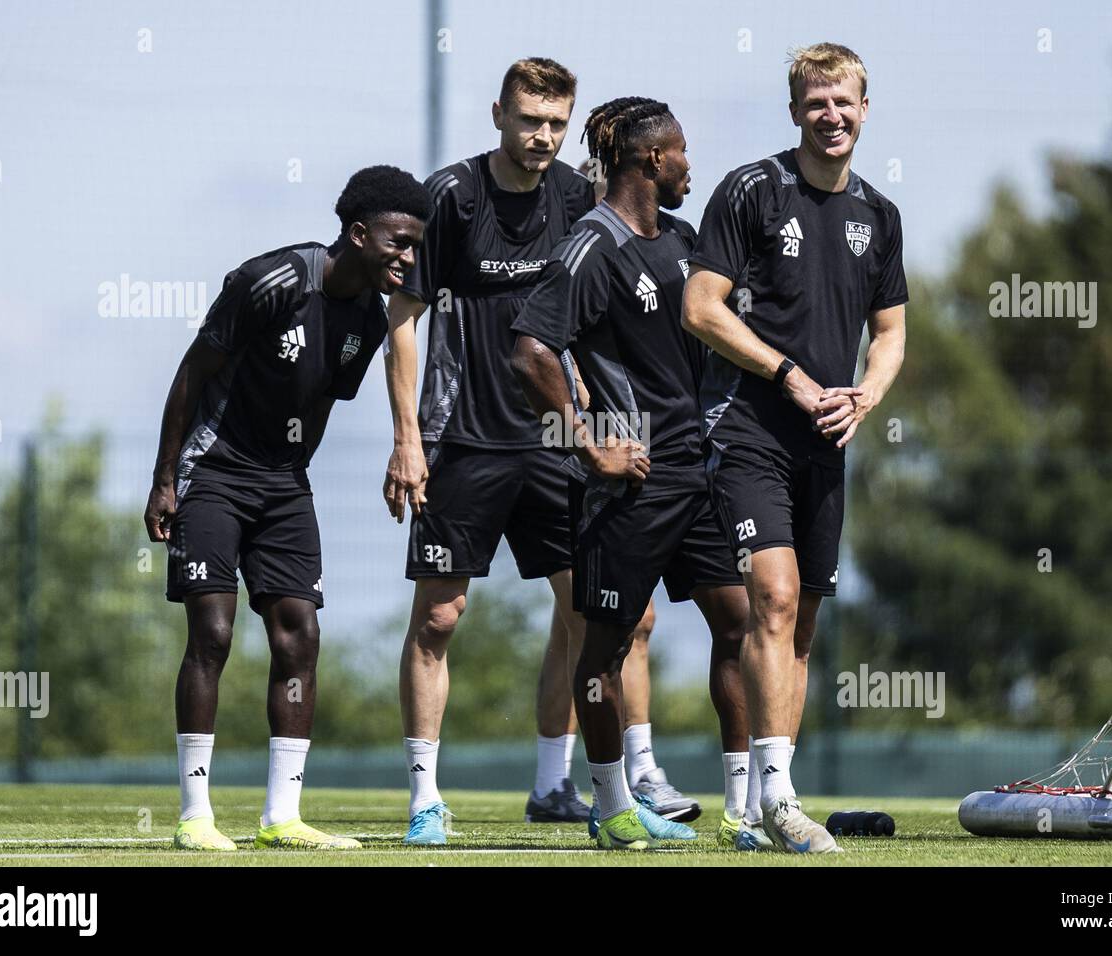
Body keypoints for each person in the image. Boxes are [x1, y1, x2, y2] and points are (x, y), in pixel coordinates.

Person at [383, 59, 692, 843]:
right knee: (441, 618)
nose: (543, 136)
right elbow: (403, 321)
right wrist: (408, 440)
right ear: (498, 114)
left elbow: (599, 313)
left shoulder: (578, 198)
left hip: (561, 442)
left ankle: (577, 785)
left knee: (612, 617)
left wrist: (605, 417)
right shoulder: (450, 197)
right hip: (466, 439)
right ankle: (424, 797)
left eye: (556, 122)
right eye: (529, 120)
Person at [144, 166, 431, 851]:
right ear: (359, 234)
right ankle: (195, 815)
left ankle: (283, 817)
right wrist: (164, 481)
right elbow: (194, 370)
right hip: (212, 470)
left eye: (416, 246)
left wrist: (289, 485)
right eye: (398, 241)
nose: (408, 257)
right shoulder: (271, 281)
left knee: (299, 634)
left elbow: (320, 402)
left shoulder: (367, 317)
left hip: (283, 484)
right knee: (212, 634)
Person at [683, 43, 908, 853]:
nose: (832, 116)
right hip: (746, 426)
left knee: (803, 622)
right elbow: (701, 308)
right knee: (770, 598)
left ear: (865, 108)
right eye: (816, 102)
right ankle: (778, 799)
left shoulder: (878, 216)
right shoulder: (750, 190)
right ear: (794, 112)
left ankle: (753, 806)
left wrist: (865, 394)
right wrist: (788, 374)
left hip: (826, 440)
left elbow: (890, 332)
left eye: (844, 101)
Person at [512, 97, 754, 850]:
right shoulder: (591, 246)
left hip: (695, 475)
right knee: (604, 652)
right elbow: (531, 350)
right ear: (652, 160)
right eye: (683, 152)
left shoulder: (683, 241)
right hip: (630, 483)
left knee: (739, 624)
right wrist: (589, 446)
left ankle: (746, 810)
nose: (690, 165)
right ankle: (611, 805)